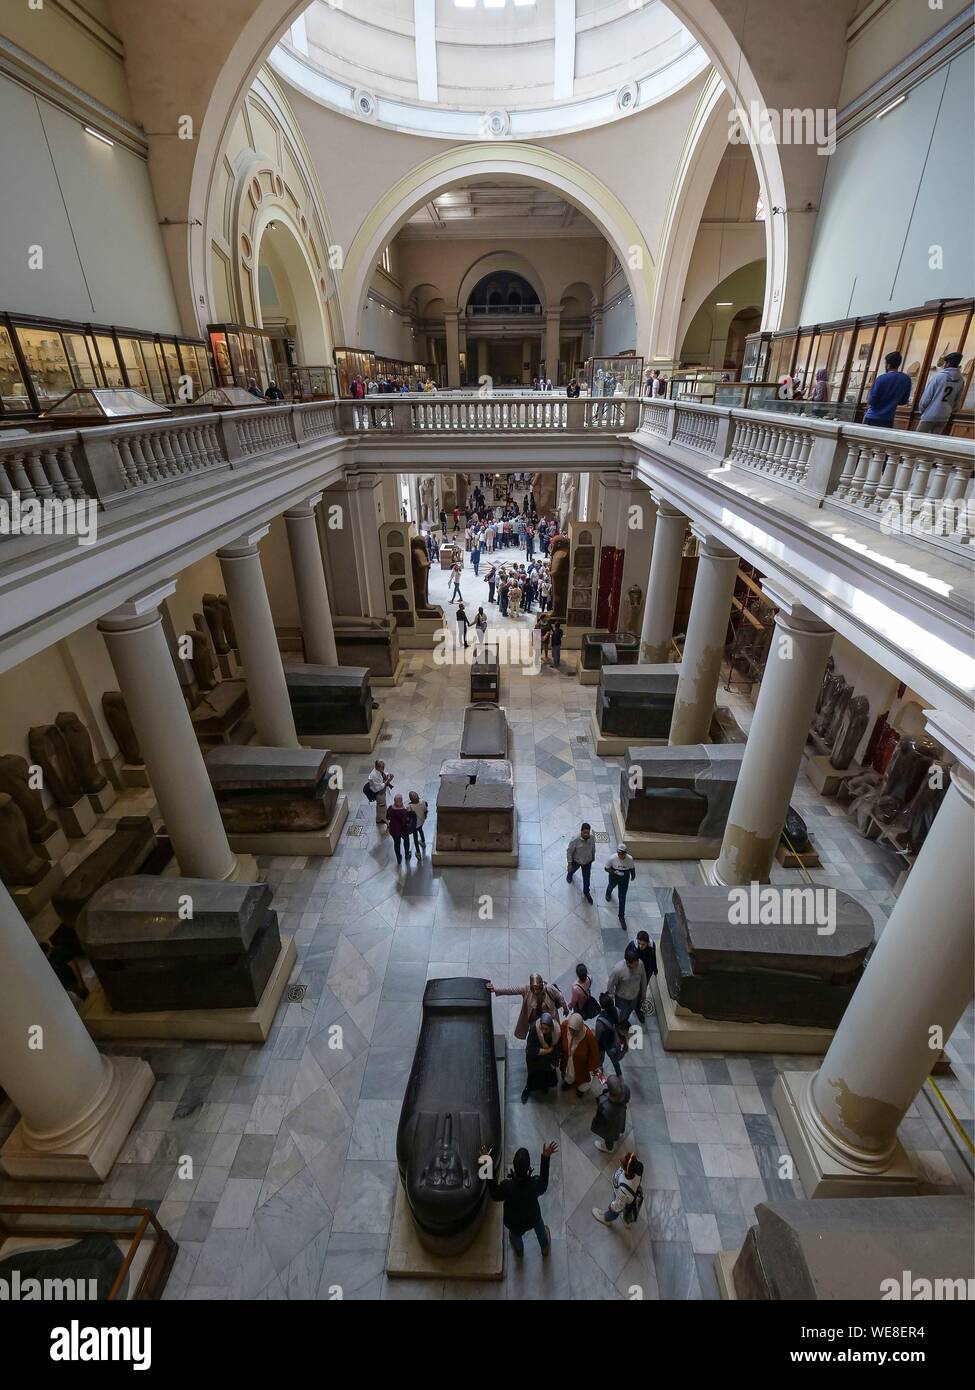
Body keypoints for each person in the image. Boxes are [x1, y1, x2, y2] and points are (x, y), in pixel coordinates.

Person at [483, 1142, 557, 1258]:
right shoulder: (535, 1184)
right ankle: (544, 1246)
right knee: (539, 1226)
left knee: (515, 1235)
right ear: (528, 1168)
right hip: (533, 1217)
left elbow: (494, 1194)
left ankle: (519, 1249)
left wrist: (487, 1164)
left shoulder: (507, 1187)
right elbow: (544, 1184)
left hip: (513, 1221)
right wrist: (546, 1157)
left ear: (514, 1167)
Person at [487, 973, 566, 1041]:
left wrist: (565, 1008)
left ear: (541, 984)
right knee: (535, 1034)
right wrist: (496, 990)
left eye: (538, 989)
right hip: (534, 1019)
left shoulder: (549, 988)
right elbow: (512, 990)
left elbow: (559, 996)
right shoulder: (526, 989)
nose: (536, 991)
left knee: (550, 1033)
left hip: (548, 1018)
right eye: (533, 989)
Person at [916, 351, 966, 434]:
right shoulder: (961, 380)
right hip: (944, 417)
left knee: (918, 440)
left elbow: (926, 397)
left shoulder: (938, 377)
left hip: (930, 415)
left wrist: (922, 409)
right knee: (935, 442)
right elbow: (957, 401)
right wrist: (950, 411)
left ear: (948, 363)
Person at [592, 1152, 644, 1226]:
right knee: (621, 1204)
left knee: (615, 1211)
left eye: (621, 1162)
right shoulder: (636, 1167)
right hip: (624, 1194)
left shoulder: (624, 1189)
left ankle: (606, 1219)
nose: (621, 1158)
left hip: (621, 1195)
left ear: (627, 1170)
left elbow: (619, 1205)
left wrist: (612, 1206)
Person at [863, 351, 912, 428]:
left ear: (888, 365)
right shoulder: (906, 379)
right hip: (888, 418)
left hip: (872, 417)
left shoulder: (881, 378)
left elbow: (871, 400)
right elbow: (903, 401)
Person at [559, 1012, 601, 1096]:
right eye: (570, 1029)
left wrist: (593, 1067)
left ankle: (581, 1090)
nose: (572, 1032)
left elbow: (594, 1054)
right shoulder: (564, 1026)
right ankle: (568, 1082)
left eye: (575, 1031)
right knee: (568, 1072)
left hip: (582, 1064)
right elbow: (560, 1041)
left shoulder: (588, 1036)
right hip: (568, 1060)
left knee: (583, 1079)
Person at [523, 1013, 561, 1102]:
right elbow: (531, 1048)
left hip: (547, 1060)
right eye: (542, 1028)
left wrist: (552, 1053)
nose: (543, 1031)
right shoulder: (534, 1029)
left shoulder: (557, 1032)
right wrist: (547, 1051)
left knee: (545, 1075)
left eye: (546, 1029)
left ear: (551, 1028)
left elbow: (557, 1048)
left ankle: (543, 1087)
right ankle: (528, 1089)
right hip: (535, 1059)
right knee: (533, 1076)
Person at [608, 945, 647, 1028]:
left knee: (629, 1011)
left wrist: (643, 994)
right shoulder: (618, 969)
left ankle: (625, 1021)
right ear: (628, 962)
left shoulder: (640, 964)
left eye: (637, 963)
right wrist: (610, 998)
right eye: (634, 964)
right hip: (622, 998)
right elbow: (611, 984)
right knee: (621, 1014)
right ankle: (619, 1025)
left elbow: (643, 979)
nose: (637, 966)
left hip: (634, 996)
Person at [591, 1074, 631, 1154]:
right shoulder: (626, 1089)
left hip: (610, 1127)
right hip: (620, 1116)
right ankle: (620, 1133)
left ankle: (608, 1148)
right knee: (619, 1125)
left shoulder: (604, 1105)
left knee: (609, 1137)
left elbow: (599, 1121)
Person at [604, 843, 637, 926]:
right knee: (611, 885)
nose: (621, 855)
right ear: (617, 852)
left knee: (622, 897)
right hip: (614, 875)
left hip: (624, 878)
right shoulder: (612, 858)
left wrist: (633, 875)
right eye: (619, 853)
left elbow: (632, 868)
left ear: (626, 853)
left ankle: (621, 916)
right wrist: (614, 872)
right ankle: (608, 893)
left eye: (623, 854)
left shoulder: (629, 859)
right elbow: (606, 868)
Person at [594, 993, 624, 1079]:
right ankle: (619, 1075)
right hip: (613, 1041)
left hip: (603, 1044)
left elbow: (597, 1037)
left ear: (602, 1006)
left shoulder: (600, 1021)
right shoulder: (617, 1011)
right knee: (614, 1060)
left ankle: (600, 1077)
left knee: (599, 1060)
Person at [631, 929, 658, 1020]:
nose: (640, 946)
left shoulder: (652, 946)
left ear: (647, 943)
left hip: (646, 974)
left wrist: (654, 968)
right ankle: (636, 1006)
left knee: (642, 991)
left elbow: (653, 957)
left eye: (643, 944)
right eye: (639, 943)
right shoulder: (632, 946)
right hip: (635, 975)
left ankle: (638, 1007)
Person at [566, 822, 596, 904]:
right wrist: (569, 863)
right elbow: (569, 852)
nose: (587, 834)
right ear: (581, 831)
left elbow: (593, 847)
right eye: (585, 832)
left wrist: (593, 856)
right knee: (572, 870)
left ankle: (586, 892)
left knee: (587, 878)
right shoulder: (575, 840)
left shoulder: (592, 838)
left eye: (588, 832)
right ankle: (570, 874)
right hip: (576, 861)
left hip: (587, 862)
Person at [366, 758, 393, 828]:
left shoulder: (378, 770)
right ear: (377, 767)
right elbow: (378, 788)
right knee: (383, 808)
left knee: (379, 807)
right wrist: (388, 781)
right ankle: (386, 821)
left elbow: (382, 774)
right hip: (379, 794)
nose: (383, 768)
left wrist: (387, 774)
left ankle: (378, 819)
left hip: (381, 792)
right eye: (382, 767)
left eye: (384, 767)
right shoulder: (374, 775)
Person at [386, 793, 412, 865]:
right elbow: (405, 822)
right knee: (406, 841)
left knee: (396, 843)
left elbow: (387, 817)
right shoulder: (403, 811)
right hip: (403, 831)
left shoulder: (390, 808)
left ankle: (398, 858)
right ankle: (407, 855)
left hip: (393, 830)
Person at [408, 790, 428, 856]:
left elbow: (407, 815)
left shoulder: (410, 806)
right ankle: (423, 842)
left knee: (415, 837)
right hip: (421, 821)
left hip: (414, 825)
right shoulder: (422, 802)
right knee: (421, 830)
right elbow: (425, 810)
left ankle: (418, 852)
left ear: (410, 799)